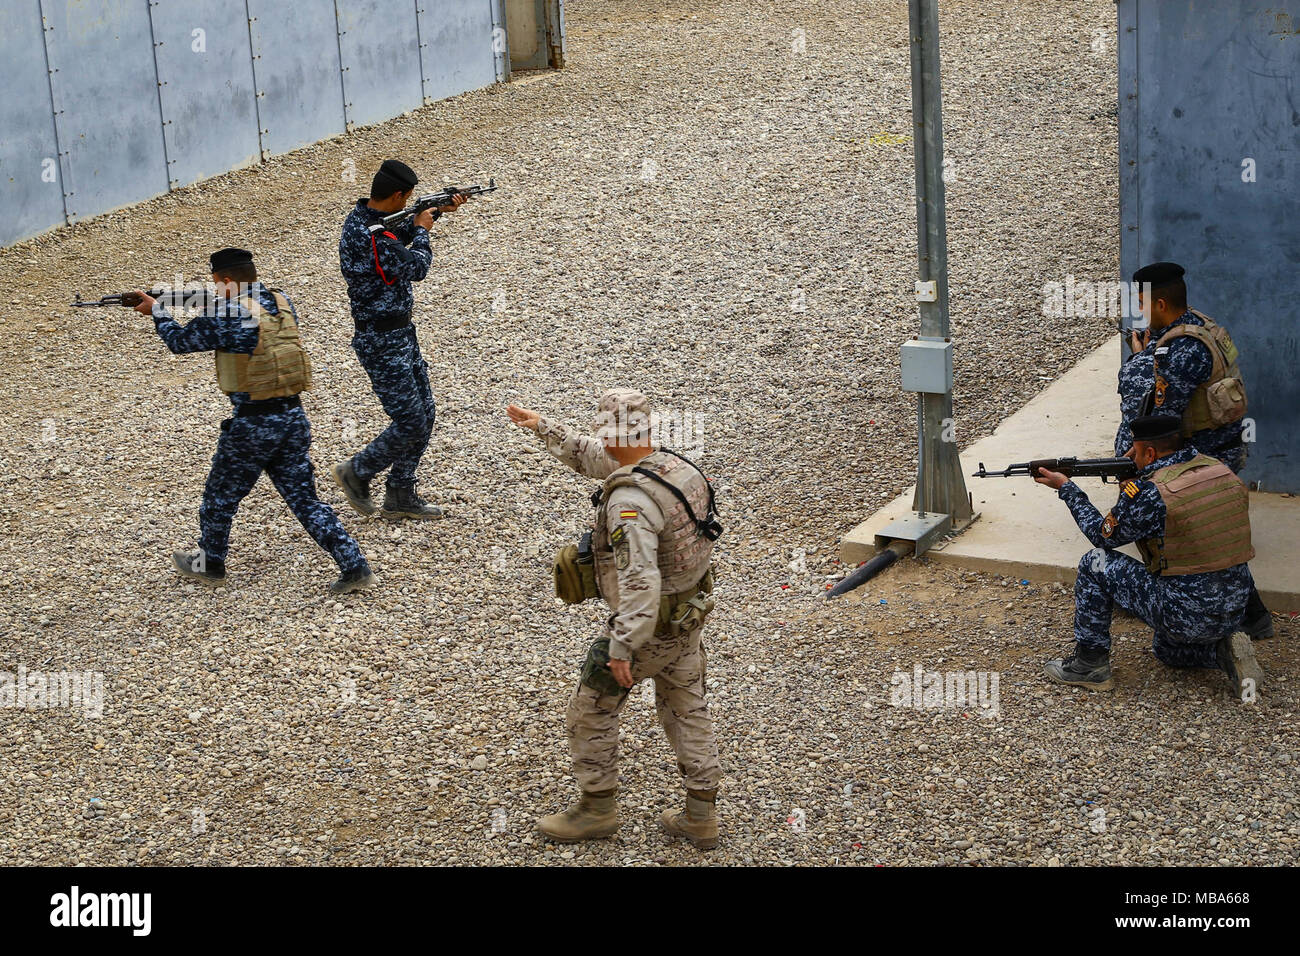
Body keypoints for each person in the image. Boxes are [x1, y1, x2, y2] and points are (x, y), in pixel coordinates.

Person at [507, 390, 724, 849]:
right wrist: (543, 426)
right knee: (687, 708)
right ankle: (701, 815)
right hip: (688, 618)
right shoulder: (672, 468)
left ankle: (597, 809)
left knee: (590, 710)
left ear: (612, 435)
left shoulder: (630, 503)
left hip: (645, 628)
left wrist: (623, 646)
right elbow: (594, 458)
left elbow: (640, 581)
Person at [130, 248, 376, 593]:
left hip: (253, 426)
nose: (214, 290)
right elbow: (250, 333)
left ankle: (210, 563)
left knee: (219, 498)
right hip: (292, 417)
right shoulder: (280, 300)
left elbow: (180, 342)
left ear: (226, 280)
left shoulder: (225, 310)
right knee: (305, 500)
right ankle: (354, 564)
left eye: (217, 284)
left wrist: (158, 312)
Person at [1038, 414, 1262, 696]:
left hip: (1186, 616)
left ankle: (1089, 665)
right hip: (1234, 610)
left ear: (1151, 451)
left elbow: (1102, 535)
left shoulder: (1152, 493)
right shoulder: (1220, 470)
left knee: (1094, 562)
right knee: (1164, 649)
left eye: (1137, 450)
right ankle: (1221, 652)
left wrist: (1067, 489)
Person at [1116, 260, 1272, 638]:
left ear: (1161, 305)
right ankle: (1249, 616)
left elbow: (1152, 418)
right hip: (1220, 450)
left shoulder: (1180, 350)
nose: (1139, 311)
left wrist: (1139, 360)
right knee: (1210, 535)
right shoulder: (1200, 326)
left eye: (1142, 303)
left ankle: (1224, 612)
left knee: (1198, 536)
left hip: (1202, 458)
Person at [332, 159, 466, 520]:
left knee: (426, 412)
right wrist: (422, 228)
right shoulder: (366, 233)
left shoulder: (369, 221)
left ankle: (400, 493)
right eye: (408, 198)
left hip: (400, 331)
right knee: (410, 421)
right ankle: (357, 471)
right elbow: (415, 266)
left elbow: (394, 239)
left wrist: (435, 211)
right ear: (398, 195)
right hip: (380, 339)